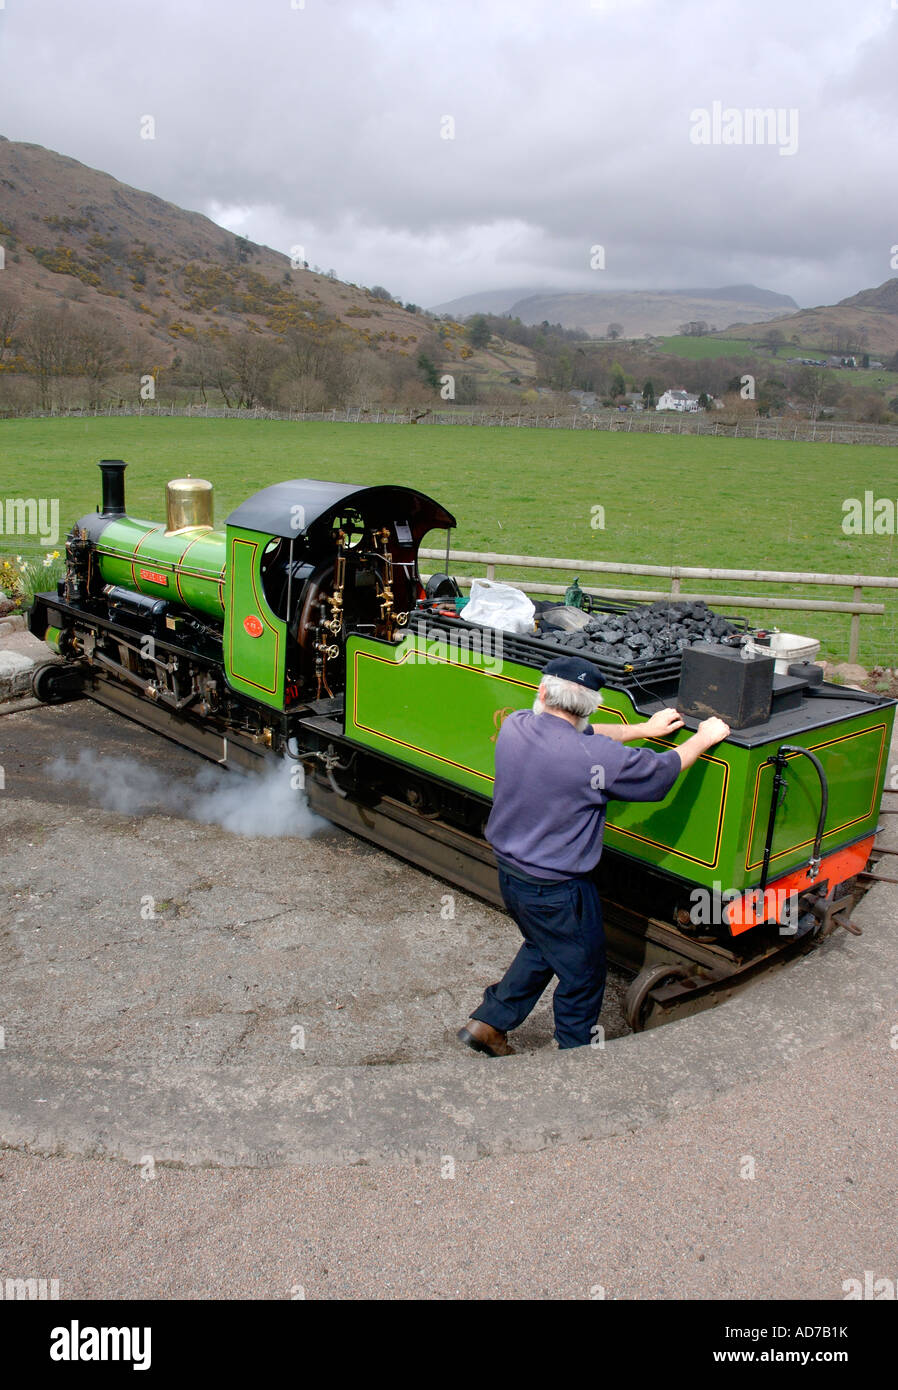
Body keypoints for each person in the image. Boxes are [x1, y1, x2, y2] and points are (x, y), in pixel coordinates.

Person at [458, 655, 730, 1056]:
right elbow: (661, 770)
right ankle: (575, 1057)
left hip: (511, 874)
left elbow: (581, 736)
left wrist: (642, 729)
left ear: (542, 692)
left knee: (541, 946)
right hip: (558, 888)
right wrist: (704, 738)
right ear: (590, 706)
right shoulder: (595, 759)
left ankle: (487, 1024)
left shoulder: (516, 724)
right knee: (583, 973)